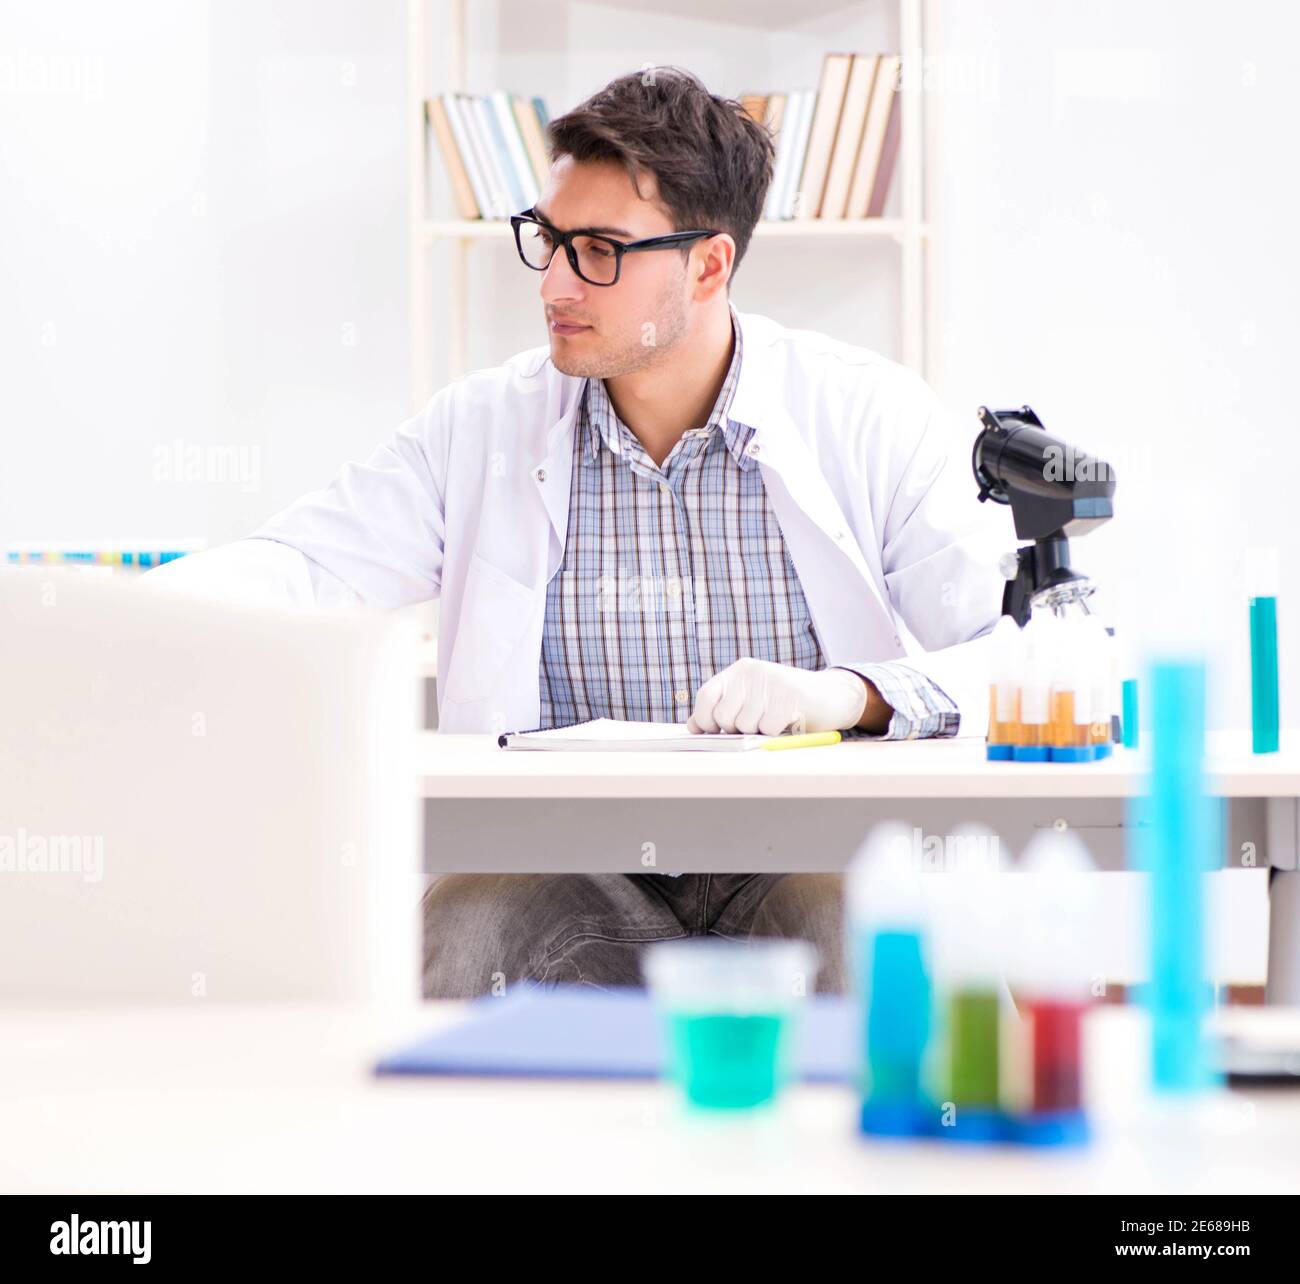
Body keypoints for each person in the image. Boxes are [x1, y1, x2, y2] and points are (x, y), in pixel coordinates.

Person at [148, 67, 1006, 998]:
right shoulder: (483, 427)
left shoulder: (867, 414)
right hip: (570, 859)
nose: (556, 280)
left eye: (599, 249)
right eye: (550, 239)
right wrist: (118, 618)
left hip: (800, 848)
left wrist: (850, 696)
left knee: (906, 963)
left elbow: (1026, 652)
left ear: (709, 264)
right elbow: (304, 569)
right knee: (465, 934)